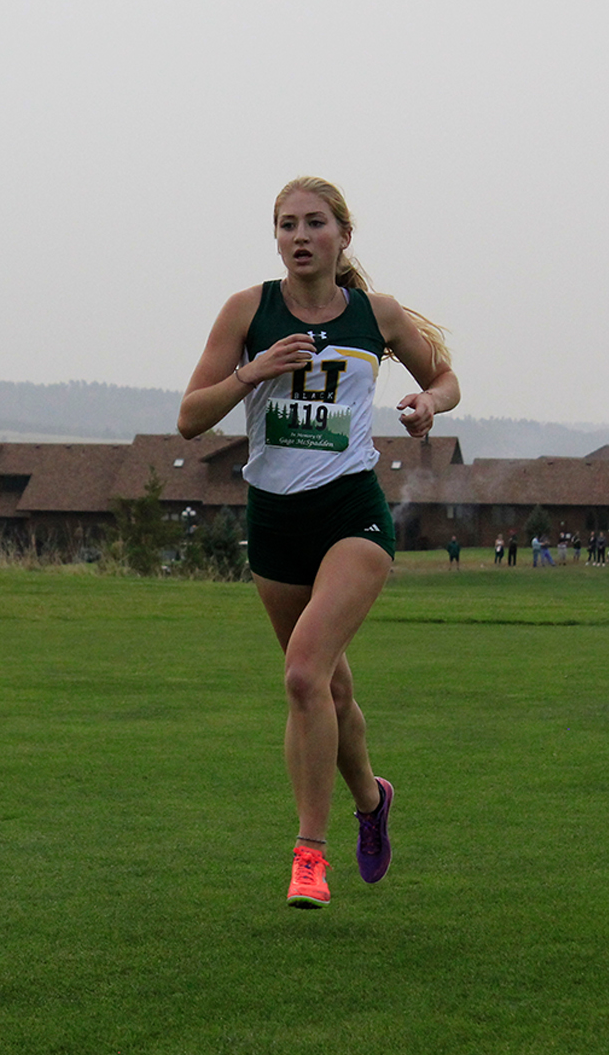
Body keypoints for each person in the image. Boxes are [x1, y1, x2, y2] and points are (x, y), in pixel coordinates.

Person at [176, 176, 459, 909]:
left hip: (351, 514)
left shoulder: (377, 314)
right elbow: (188, 418)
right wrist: (253, 370)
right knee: (330, 685)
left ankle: (310, 854)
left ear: (343, 236)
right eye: (286, 225)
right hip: (273, 520)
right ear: (277, 239)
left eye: (313, 224)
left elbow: (446, 378)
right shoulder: (249, 310)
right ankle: (372, 800)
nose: (299, 237)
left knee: (304, 676)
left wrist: (427, 403)